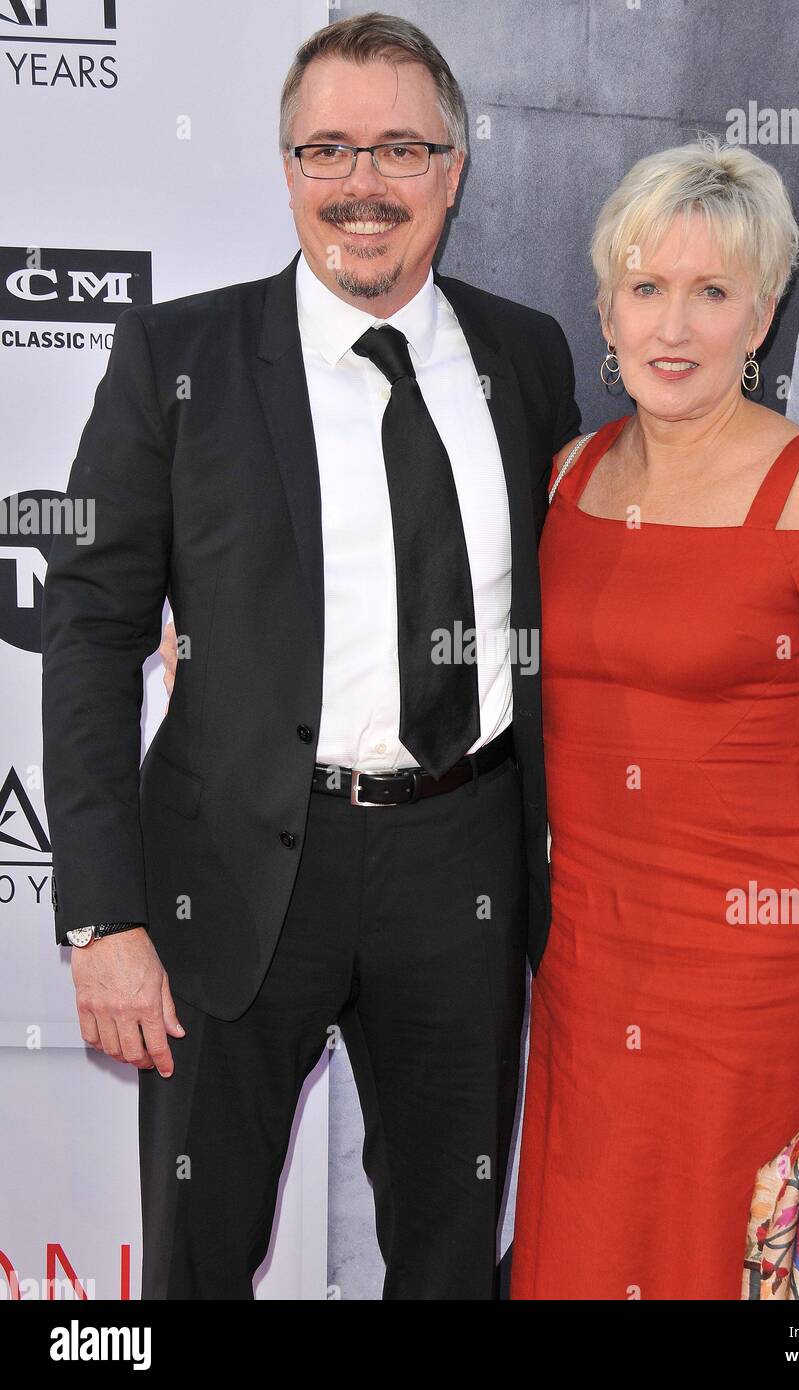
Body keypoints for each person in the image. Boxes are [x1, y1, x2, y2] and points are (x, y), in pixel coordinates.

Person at [41, 12, 581, 1300]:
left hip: (463, 864)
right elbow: (92, 634)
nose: (363, 186)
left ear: (456, 168)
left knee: (451, 1261)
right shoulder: (179, 357)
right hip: (224, 874)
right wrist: (102, 913)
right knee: (195, 1261)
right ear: (286, 167)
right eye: (327, 149)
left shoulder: (526, 354)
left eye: (401, 149)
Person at [510, 136, 799, 1301]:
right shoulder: (567, 477)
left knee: (723, 1262)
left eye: (711, 294)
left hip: (757, 974)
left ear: (763, 315)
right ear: (605, 305)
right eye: (646, 289)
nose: (673, 328)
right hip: (590, 969)